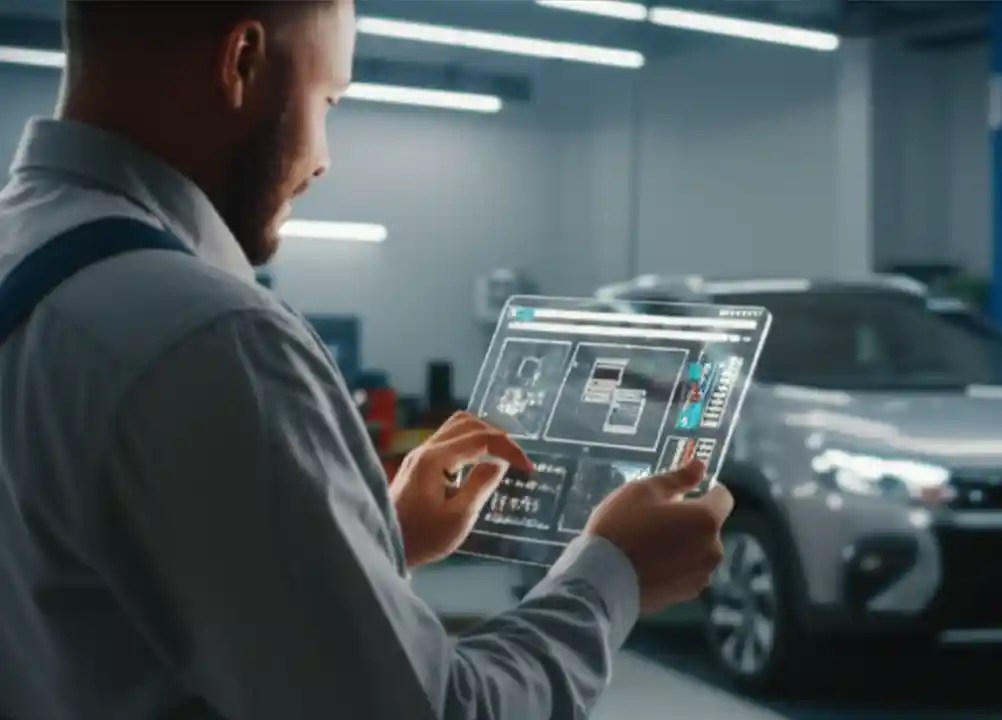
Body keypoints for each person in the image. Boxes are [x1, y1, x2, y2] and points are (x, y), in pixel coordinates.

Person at [0, 1, 733, 718]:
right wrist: (613, 572)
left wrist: (374, 535)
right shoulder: (211, 340)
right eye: (327, 98)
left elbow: (101, 587)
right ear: (243, 62)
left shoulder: (26, 255)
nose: (324, 160)